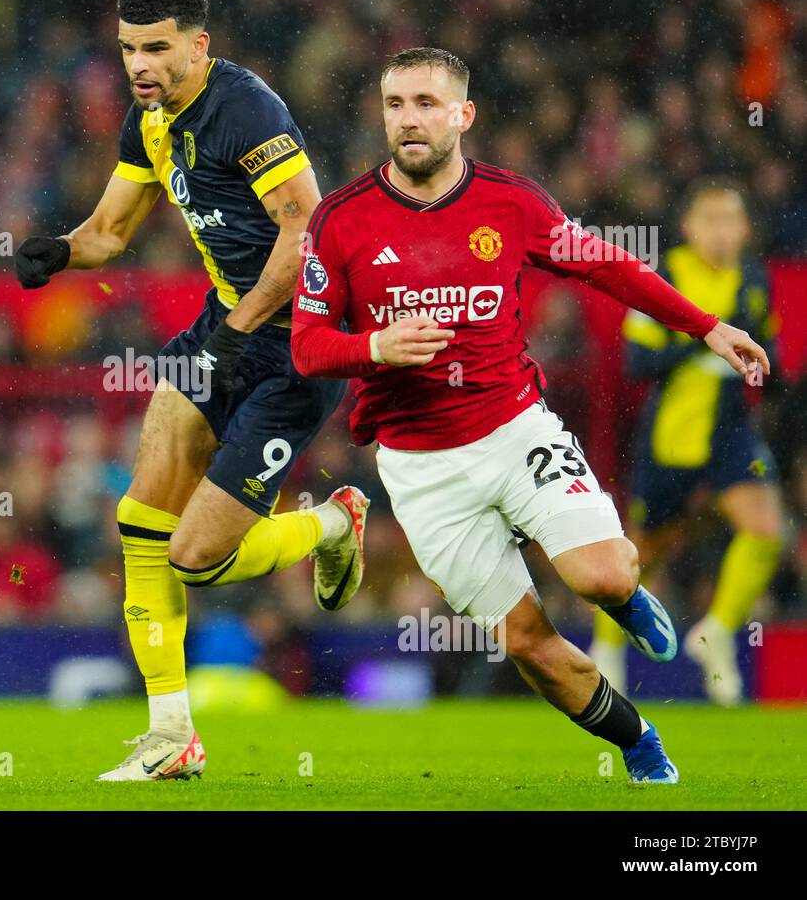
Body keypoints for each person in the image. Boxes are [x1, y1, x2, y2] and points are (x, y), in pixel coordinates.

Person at [290, 48, 770, 784]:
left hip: (515, 429)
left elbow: (607, 264)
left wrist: (705, 325)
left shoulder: (511, 202)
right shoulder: (340, 219)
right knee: (525, 641)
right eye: (395, 104)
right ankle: (640, 743)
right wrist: (375, 344)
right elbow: (309, 346)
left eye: (426, 102)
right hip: (421, 469)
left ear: (463, 114)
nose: (409, 119)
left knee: (603, 576)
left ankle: (627, 598)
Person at [12, 0, 363, 781]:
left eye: (158, 48)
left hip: (295, 344)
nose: (140, 64)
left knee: (197, 556)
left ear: (198, 46)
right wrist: (60, 252)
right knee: (141, 521)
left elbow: (305, 231)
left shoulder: (247, 110)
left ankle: (335, 524)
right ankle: (173, 735)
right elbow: (109, 231)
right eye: (130, 48)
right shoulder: (151, 119)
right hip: (227, 325)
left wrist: (237, 335)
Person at [589, 179, 783, 705]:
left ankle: (715, 632)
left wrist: (770, 364)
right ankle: (606, 650)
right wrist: (703, 344)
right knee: (645, 553)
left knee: (766, 530)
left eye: (730, 220)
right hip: (671, 439)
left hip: (731, 434)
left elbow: (774, 353)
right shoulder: (666, 276)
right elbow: (636, 362)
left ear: (744, 228)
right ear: (689, 227)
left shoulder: (752, 278)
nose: (721, 232)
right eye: (710, 220)